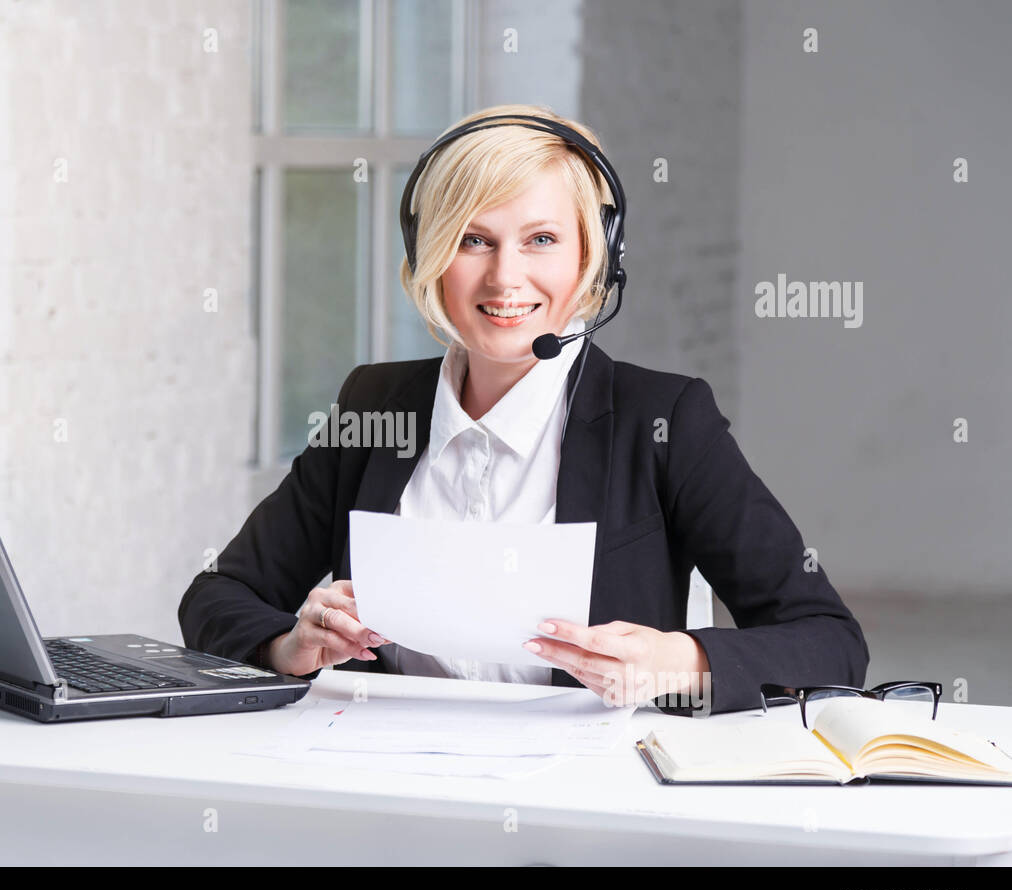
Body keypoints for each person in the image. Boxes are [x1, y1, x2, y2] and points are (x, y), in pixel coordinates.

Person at [178, 103, 868, 716]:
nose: (505, 277)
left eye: (541, 240)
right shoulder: (374, 404)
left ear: (594, 261)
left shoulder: (664, 420)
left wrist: (676, 662)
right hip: (390, 788)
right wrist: (286, 643)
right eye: (473, 239)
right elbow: (217, 596)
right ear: (428, 254)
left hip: (590, 805)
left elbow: (830, 642)